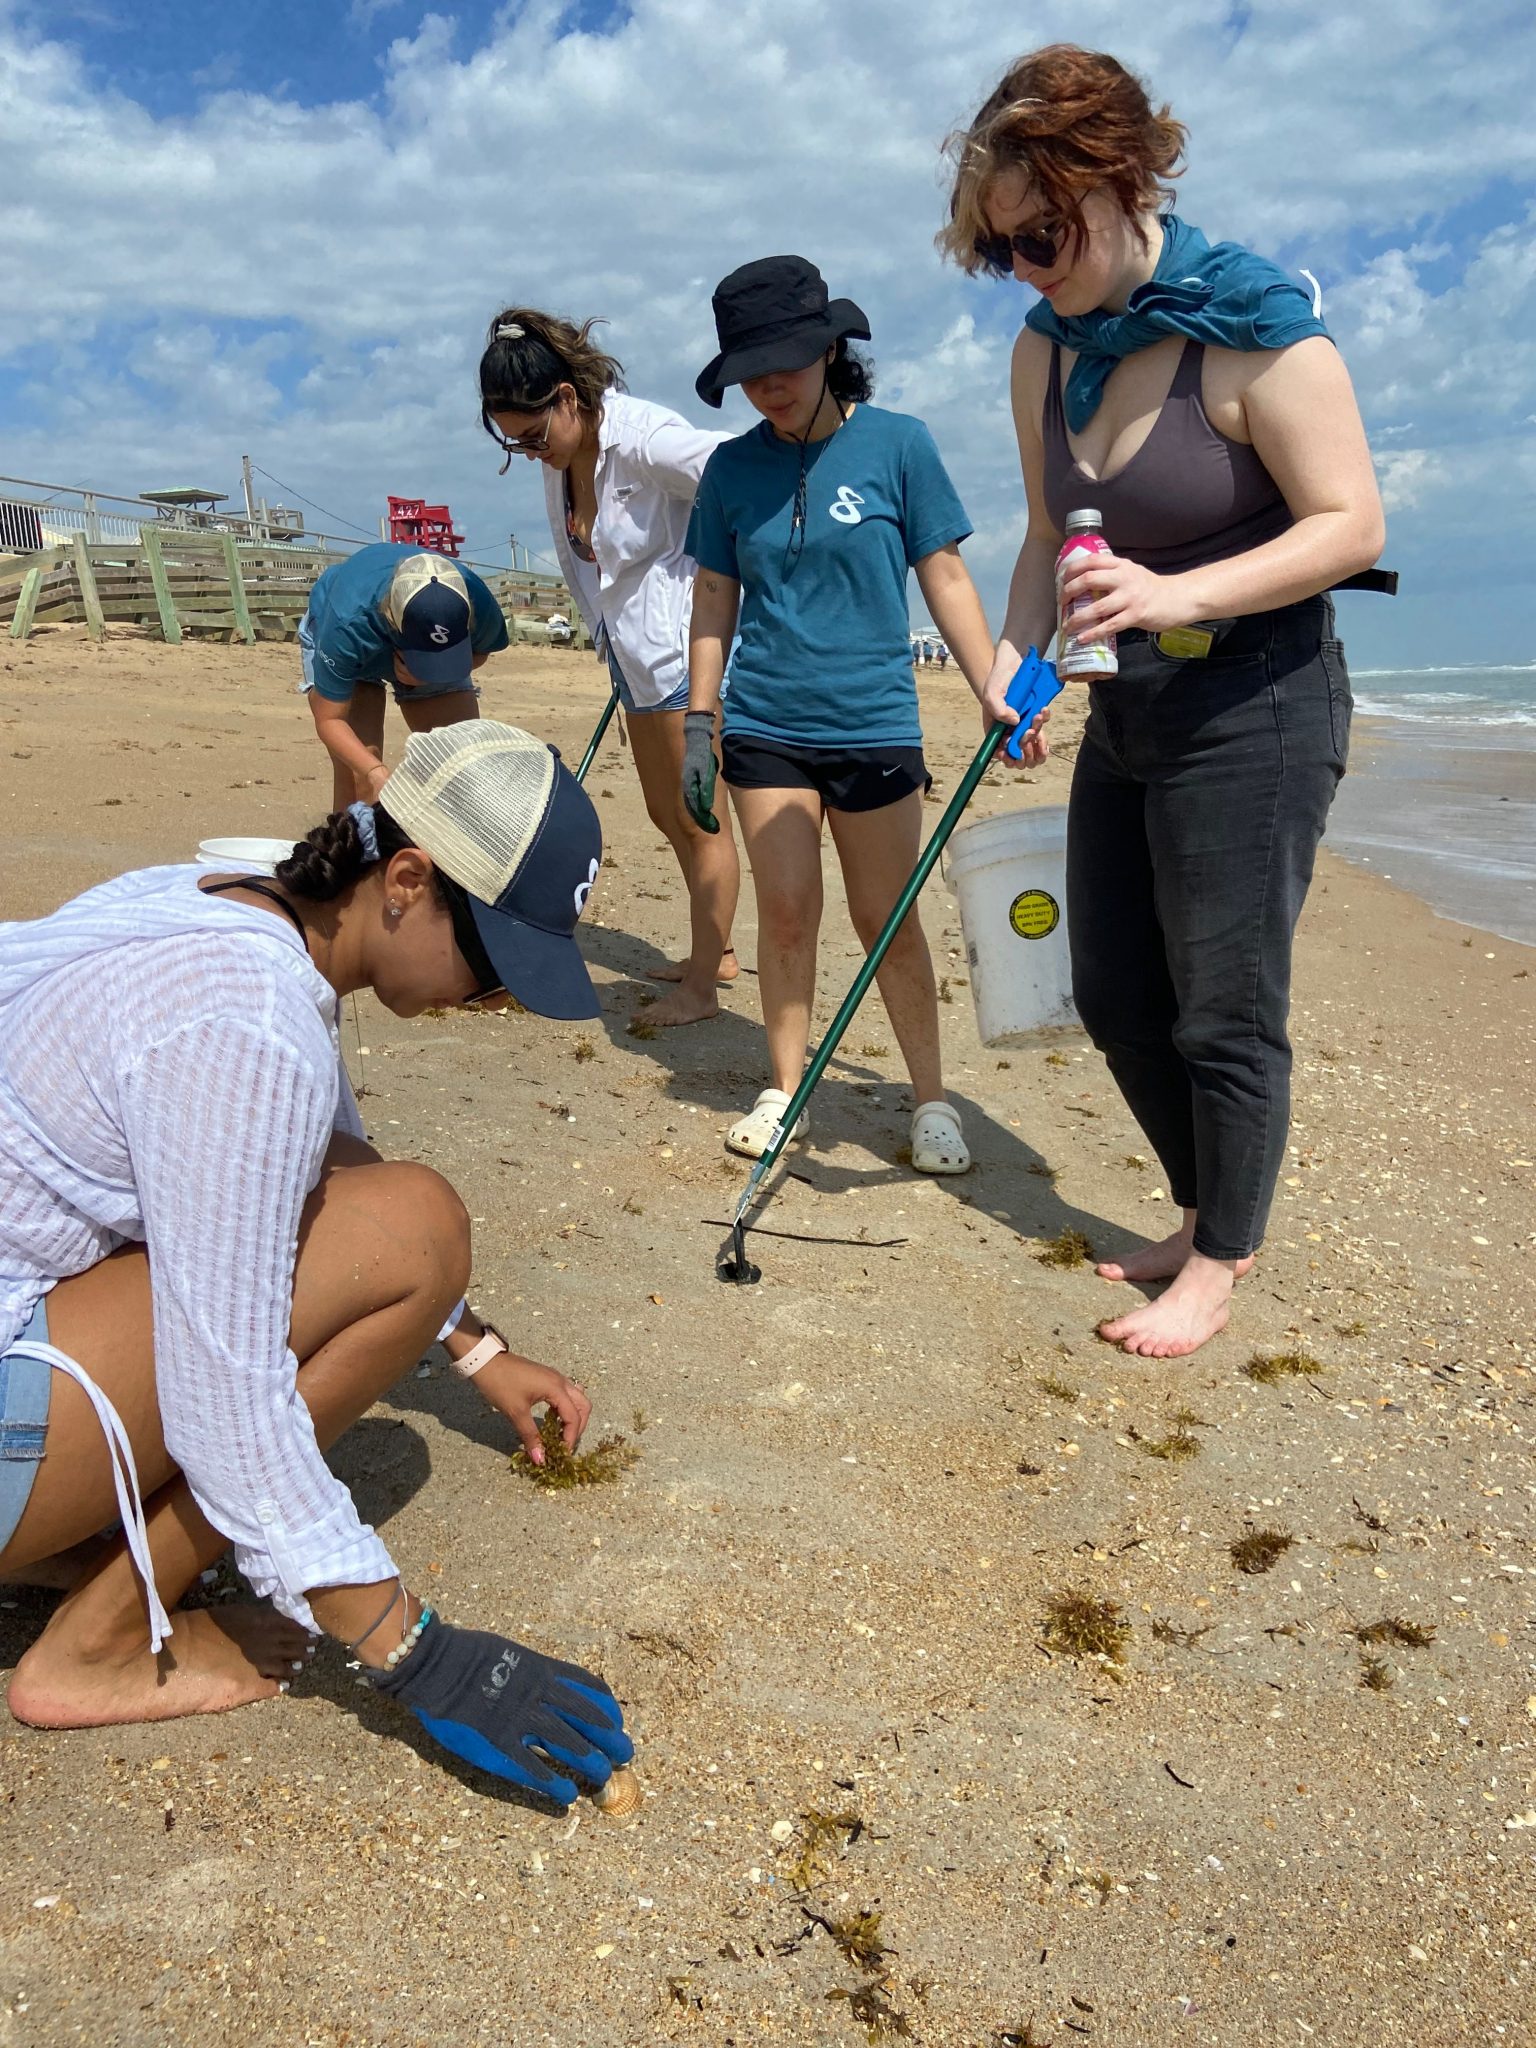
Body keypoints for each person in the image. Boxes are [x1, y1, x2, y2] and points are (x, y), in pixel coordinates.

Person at [0, 722, 632, 1806]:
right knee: (412, 1229)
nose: (496, 1004)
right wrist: (412, 1648)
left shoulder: (233, 898)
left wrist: (478, 1350)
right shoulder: (246, 1023)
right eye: (492, 962)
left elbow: (327, 1166)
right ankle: (99, 1640)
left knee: (408, 1224)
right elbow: (229, 1405)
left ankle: (78, 1536)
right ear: (404, 877)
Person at [940, 43, 1386, 1356]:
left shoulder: (1256, 328)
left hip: (1261, 701)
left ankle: (1224, 1258)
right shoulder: (1048, 349)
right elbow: (1038, 536)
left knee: (1224, 1005)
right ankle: (1199, 1212)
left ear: (1122, 175)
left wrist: (1175, 597)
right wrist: (1014, 674)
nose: (1027, 265)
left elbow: (1351, 523)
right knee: (1116, 987)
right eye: (1000, 249)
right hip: (1129, 710)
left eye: (1042, 230)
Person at [681, 255, 1048, 1171]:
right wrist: (698, 719)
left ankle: (931, 1100)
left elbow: (947, 576)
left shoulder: (900, 445)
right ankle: (786, 1089)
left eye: (788, 364)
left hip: (875, 724)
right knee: (790, 909)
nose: (768, 386)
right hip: (765, 724)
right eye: (750, 371)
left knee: (888, 918)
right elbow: (713, 603)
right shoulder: (730, 471)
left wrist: (989, 689)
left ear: (831, 351)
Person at [479, 309, 741, 1029]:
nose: (531, 452)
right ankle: (710, 952)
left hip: (683, 653)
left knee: (700, 817)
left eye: (534, 435)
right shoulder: (565, 458)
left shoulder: (644, 437)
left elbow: (740, 471)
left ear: (567, 397)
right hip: (629, 655)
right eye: (515, 443)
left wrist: (718, 576)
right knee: (666, 810)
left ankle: (705, 984)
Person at [299, 543, 509, 812]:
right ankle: (355, 849)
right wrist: (376, 772)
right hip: (356, 642)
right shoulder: (348, 623)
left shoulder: (479, 601)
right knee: (359, 779)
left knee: (460, 767)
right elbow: (329, 719)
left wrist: (425, 676)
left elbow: (480, 653)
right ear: (391, 619)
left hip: (411, 638)